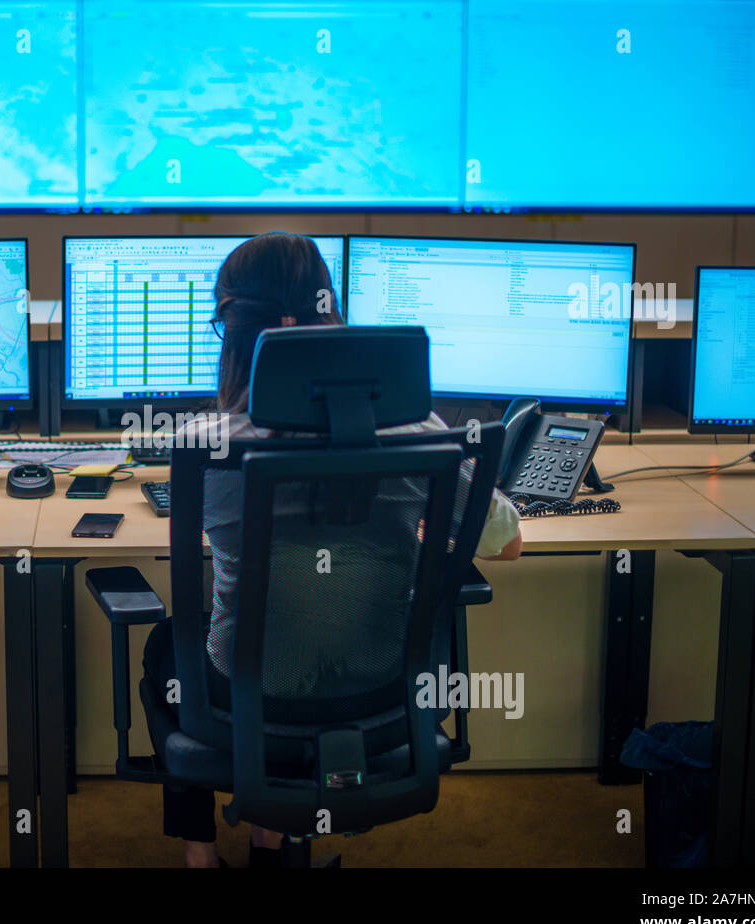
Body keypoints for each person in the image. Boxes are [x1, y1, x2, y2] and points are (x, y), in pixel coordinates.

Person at [143, 232, 523, 867]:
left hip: (247, 692)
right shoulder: (423, 436)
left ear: (234, 334)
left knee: (168, 646)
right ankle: (273, 843)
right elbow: (506, 542)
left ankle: (200, 854)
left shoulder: (207, 444)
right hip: (380, 692)